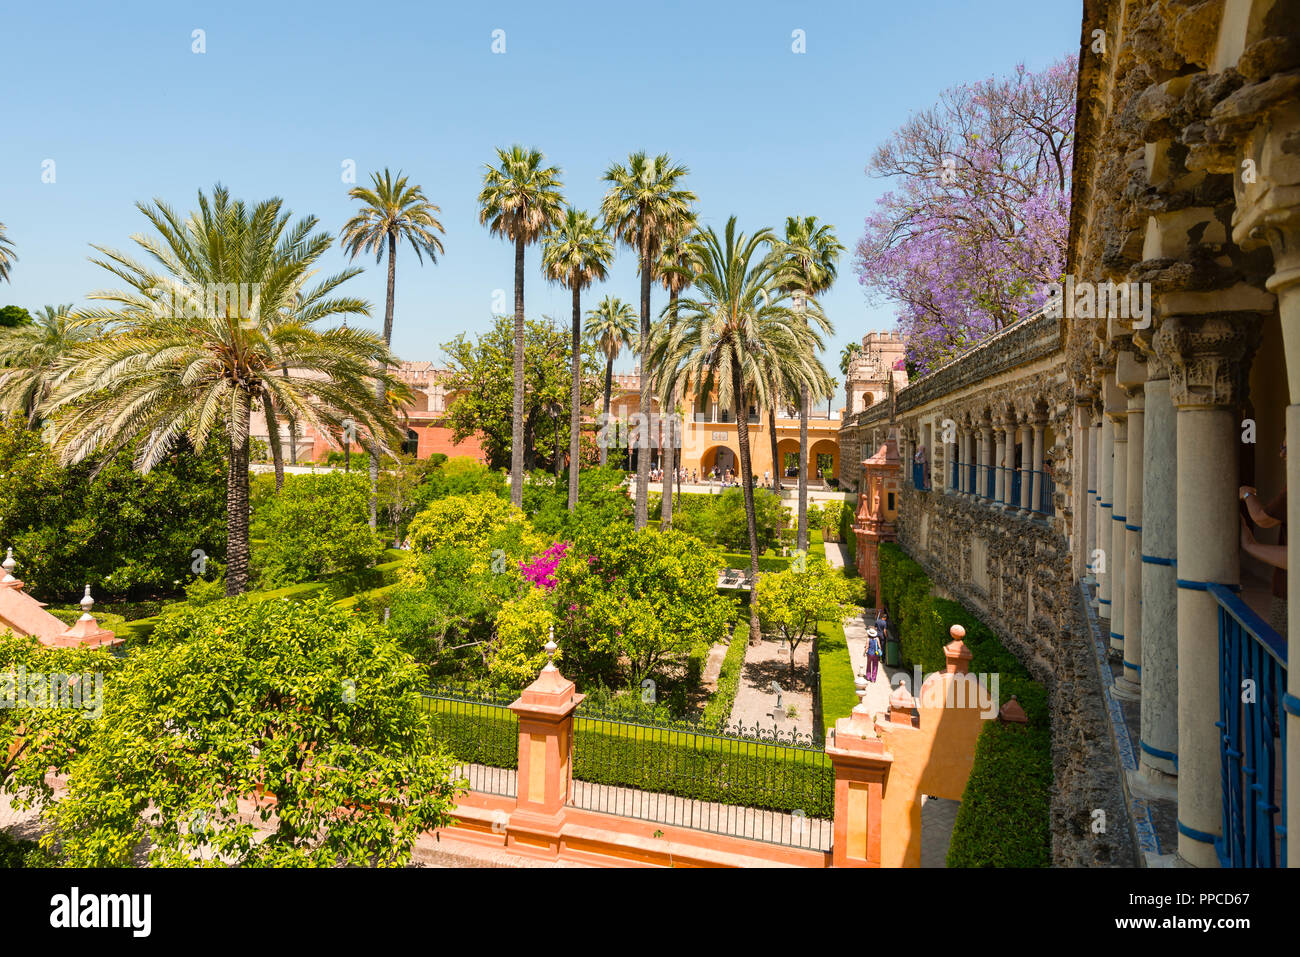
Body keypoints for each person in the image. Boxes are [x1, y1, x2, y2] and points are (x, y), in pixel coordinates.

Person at [1240, 440, 1288, 637]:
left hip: (1289, 592)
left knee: (1283, 654)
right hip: (1286, 589)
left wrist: (1246, 494)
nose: (1282, 454)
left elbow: (1262, 518)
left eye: (1286, 447)